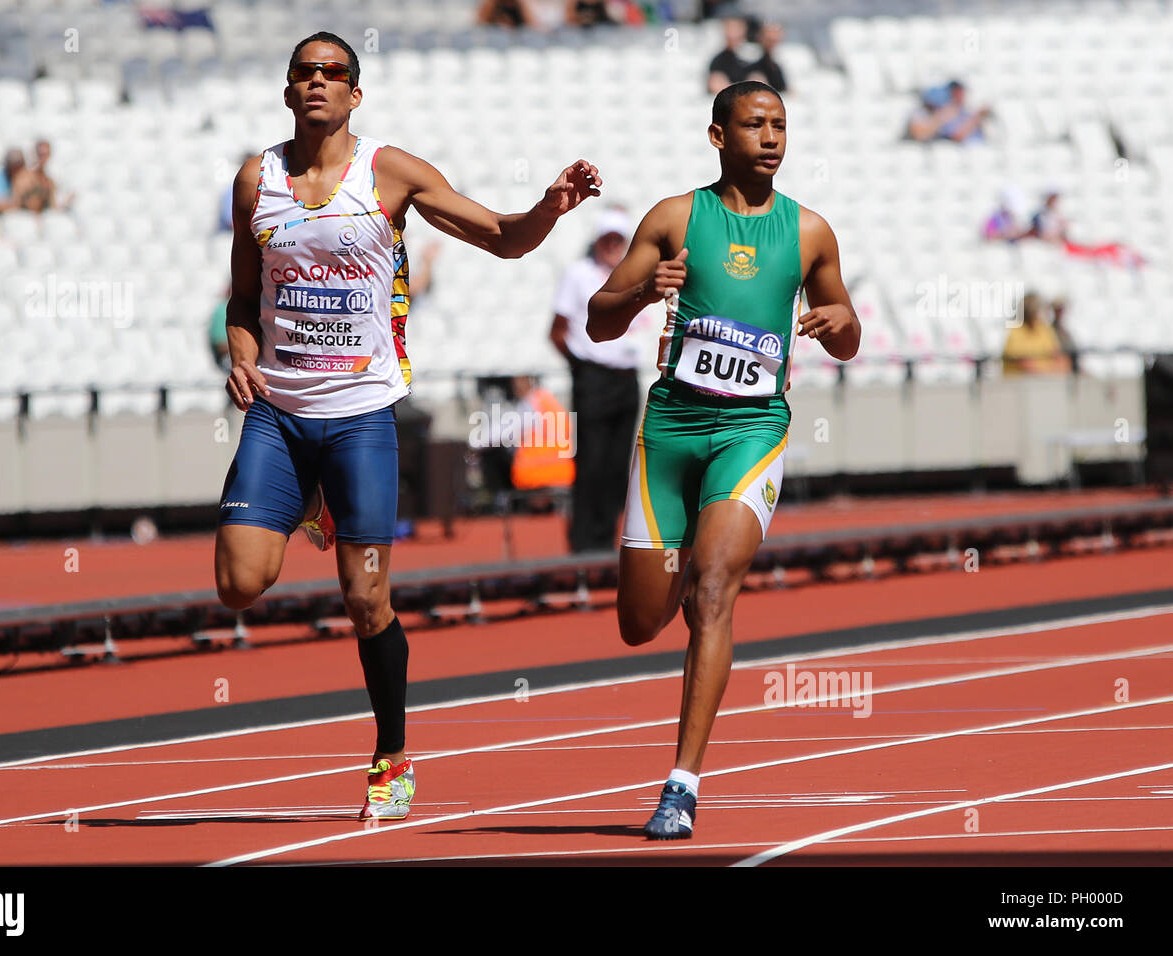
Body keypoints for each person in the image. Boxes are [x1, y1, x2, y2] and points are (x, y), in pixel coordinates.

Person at [215, 32, 600, 822]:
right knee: (239, 585)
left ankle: (391, 753)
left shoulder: (390, 173)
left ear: (357, 94)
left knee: (365, 600)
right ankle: (312, 503)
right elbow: (241, 298)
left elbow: (501, 236)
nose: (319, 83)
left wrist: (549, 208)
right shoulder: (257, 180)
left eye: (335, 74)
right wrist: (241, 352)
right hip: (280, 412)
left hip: (360, 414)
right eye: (305, 73)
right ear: (288, 91)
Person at [587, 80, 860, 839]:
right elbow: (598, 322)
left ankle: (681, 785)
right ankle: (673, 561)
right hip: (669, 431)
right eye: (754, 124)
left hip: (751, 429)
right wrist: (644, 291)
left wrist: (841, 321)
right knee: (642, 623)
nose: (770, 137)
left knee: (713, 592)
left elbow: (846, 335)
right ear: (718, 136)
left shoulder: (809, 232)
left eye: (779, 125)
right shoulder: (676, 218)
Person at [550, 208, 650, 552]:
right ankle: (582, 545)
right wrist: (581, 367)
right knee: (590, 461)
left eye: (617, 239)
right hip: (593, 376)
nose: (612, 244)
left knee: (617, 464)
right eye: (607, 238)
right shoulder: (579, 275)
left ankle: (605, 540)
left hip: (626, 378)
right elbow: (557, 331)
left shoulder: (633, 275)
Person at [1002, 291, 1068, 375]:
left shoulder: (1043, 329)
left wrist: (1056, 370)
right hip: (1020, 384)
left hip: (1046, 382)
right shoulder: (1015, 331)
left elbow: (1059, 356)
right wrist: (1050, 372)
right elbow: (1024, 364)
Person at [706, 16, 755, 94]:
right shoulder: (718, 61)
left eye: (736, 29)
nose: (733, 34)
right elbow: (715, 85)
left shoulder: (754, 57)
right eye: (730, 29)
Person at [743, 21, 787, 93]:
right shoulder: (749, 58)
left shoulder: (779, 60)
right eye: (769, 39)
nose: (772, 43)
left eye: (774, 40)